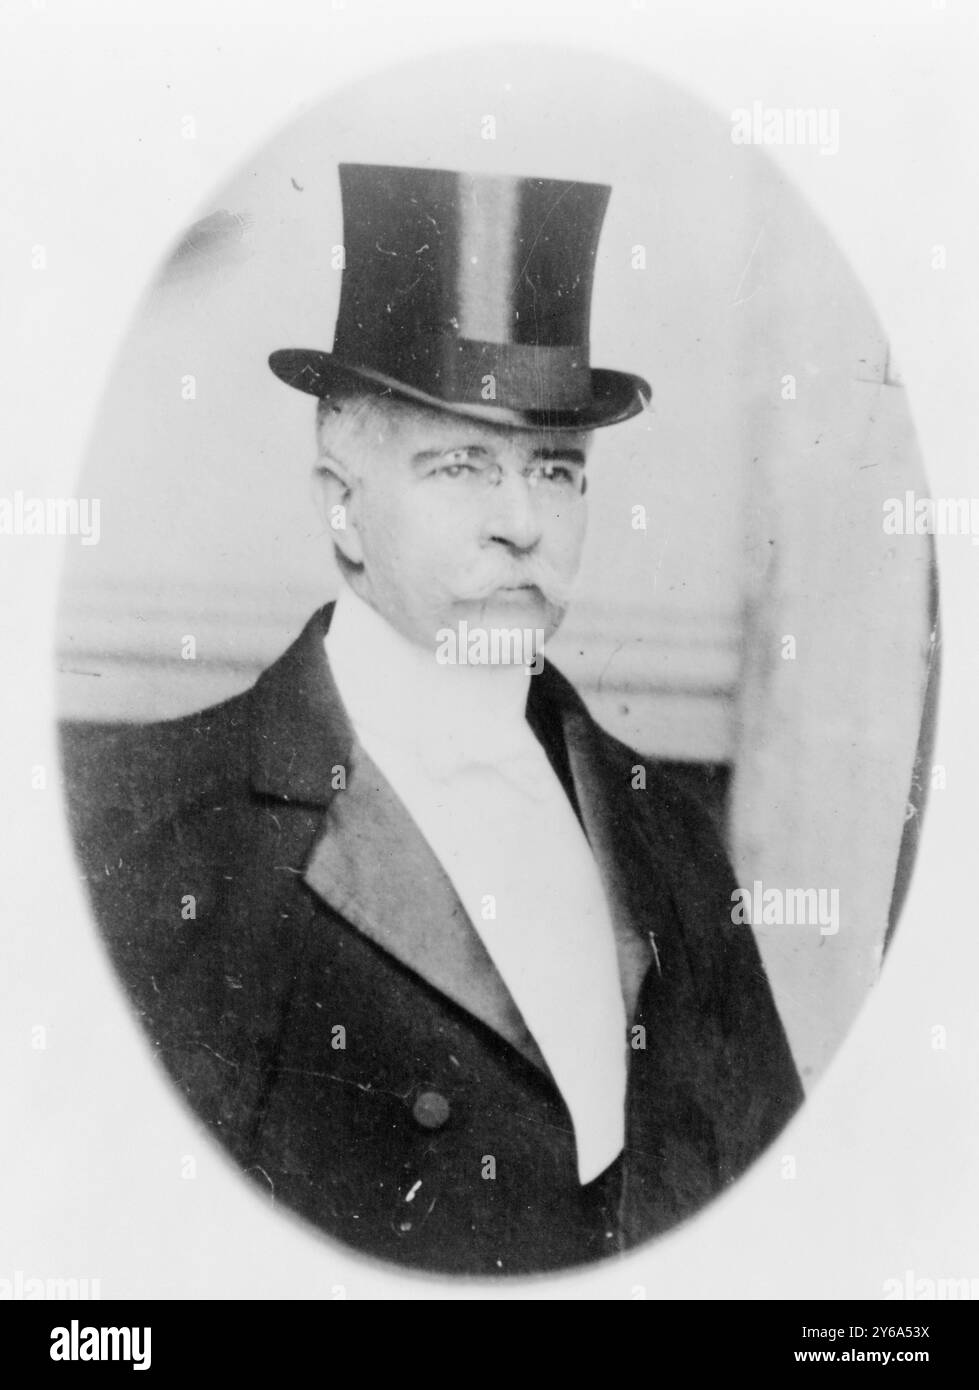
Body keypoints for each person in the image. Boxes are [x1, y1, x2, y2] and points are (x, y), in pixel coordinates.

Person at [62, 162, 803, 1275]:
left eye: (556, 469)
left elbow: (780, 1229)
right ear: (342, 503)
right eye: (460, 464)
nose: (520, 523)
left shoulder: (667, 835)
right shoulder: (166, 829)